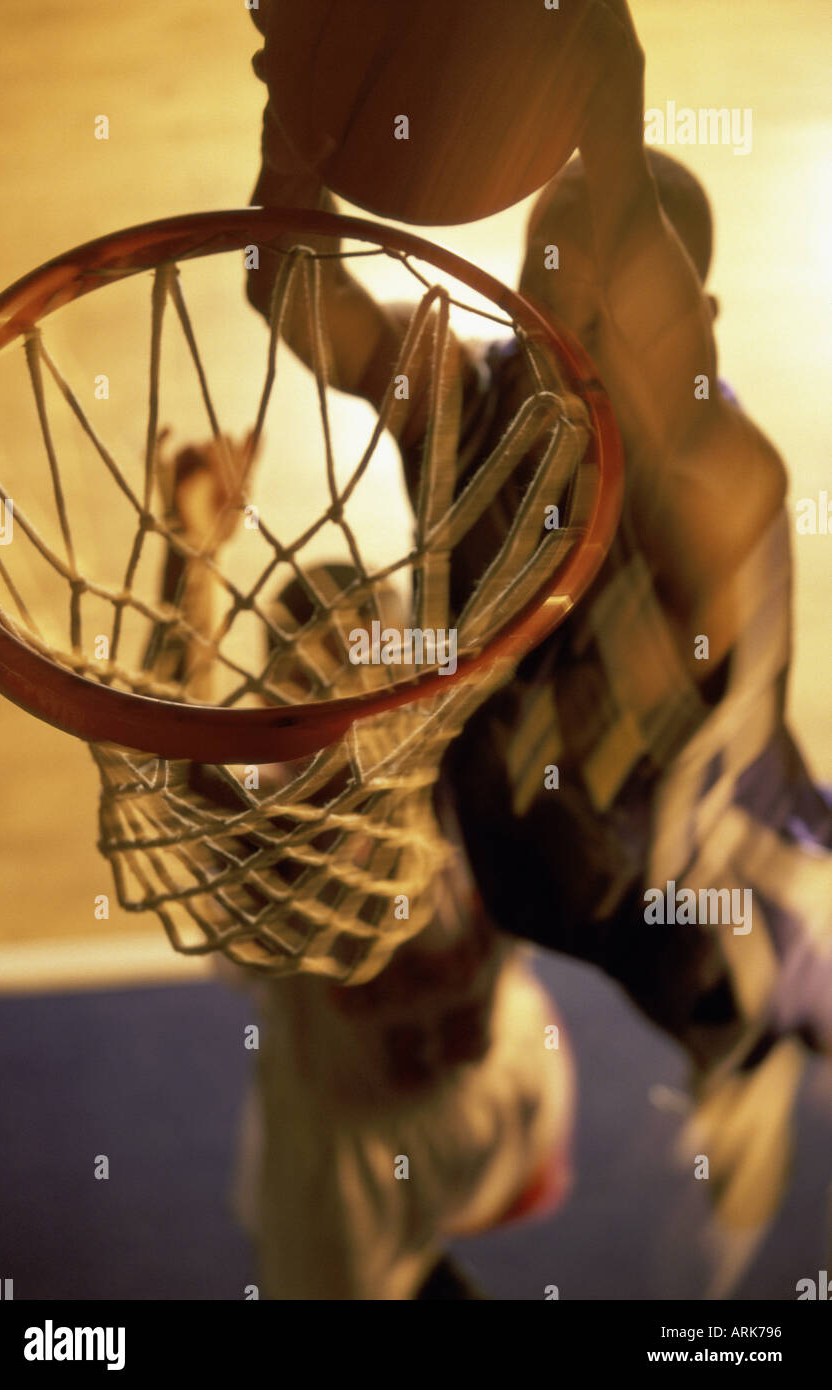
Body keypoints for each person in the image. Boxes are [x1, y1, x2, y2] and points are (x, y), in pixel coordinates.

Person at [238, 0, 832, 1297]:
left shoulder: (720, 475)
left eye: (591, 256)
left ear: (693, 303)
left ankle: (757, 1057)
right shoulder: (477, 392)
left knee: (775, 992)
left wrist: (607, 88)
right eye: (537, 256)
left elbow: (629, 254)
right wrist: (302, 125)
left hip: (699, 891)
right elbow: (292, 289)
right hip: (511, 844)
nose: (553, 286)